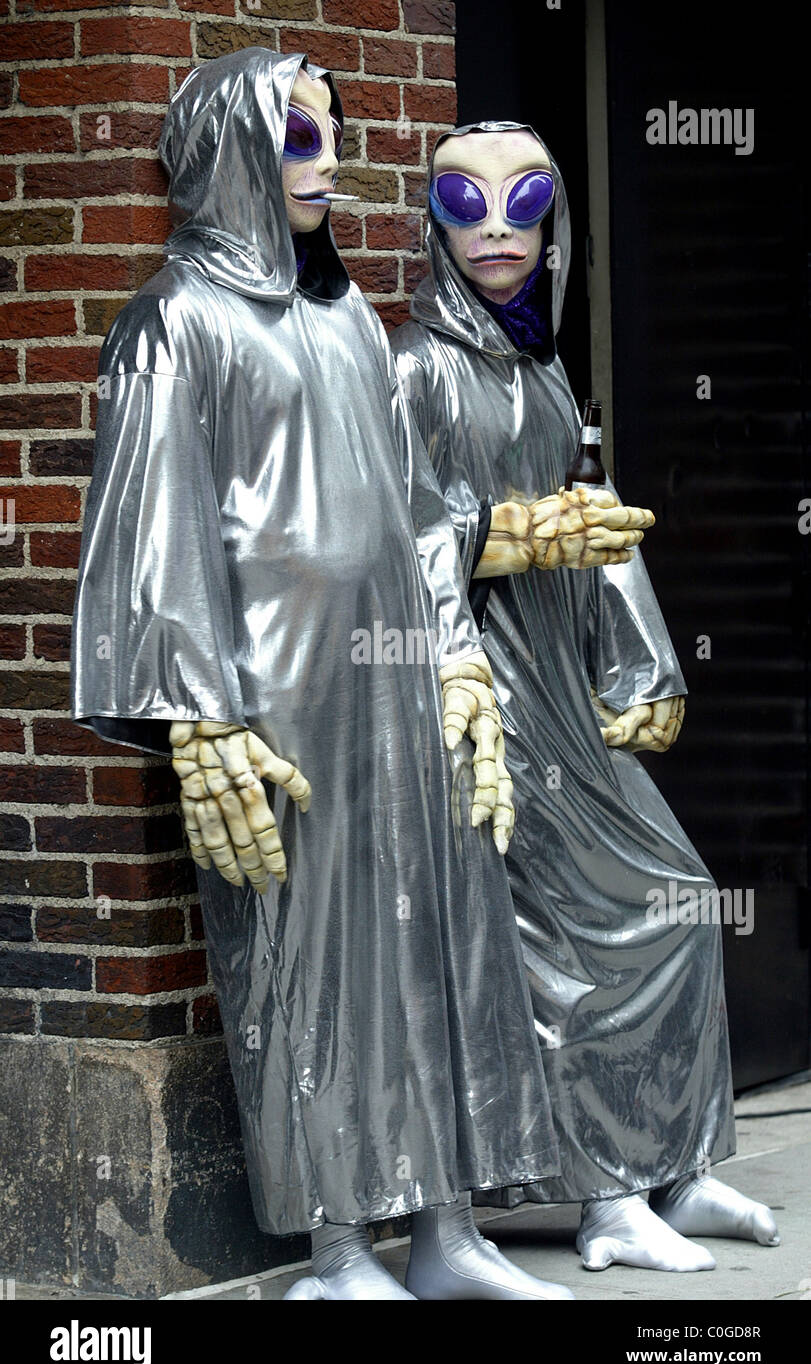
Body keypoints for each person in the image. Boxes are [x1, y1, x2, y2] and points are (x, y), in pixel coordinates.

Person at [69, 56, 574, 1301]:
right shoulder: (174, 323)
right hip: (279, 705)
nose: (327, 157)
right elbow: (154, 531)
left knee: (442, 943)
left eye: (331, 130)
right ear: (230, 146)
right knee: (308, 966)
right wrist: (197, 713)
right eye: (295, 133)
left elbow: (416, 508)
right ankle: (339, 1248)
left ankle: (447, 1230)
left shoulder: (348, 317)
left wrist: (455, 650)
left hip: (396, 683)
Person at [392, 120, 779, 1273]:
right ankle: (604, 1199)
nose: (499, 228)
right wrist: (498, 542)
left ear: (556, 218)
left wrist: (645, 662)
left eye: (525, 201)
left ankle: (678, 1164)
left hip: (560, 678)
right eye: (466, 201)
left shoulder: (542, 365)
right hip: (480, 690)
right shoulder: (411, 367)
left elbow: (593, 521)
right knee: (572, 936)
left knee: (676, 894)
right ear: (434, 219)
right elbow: (390, 537)